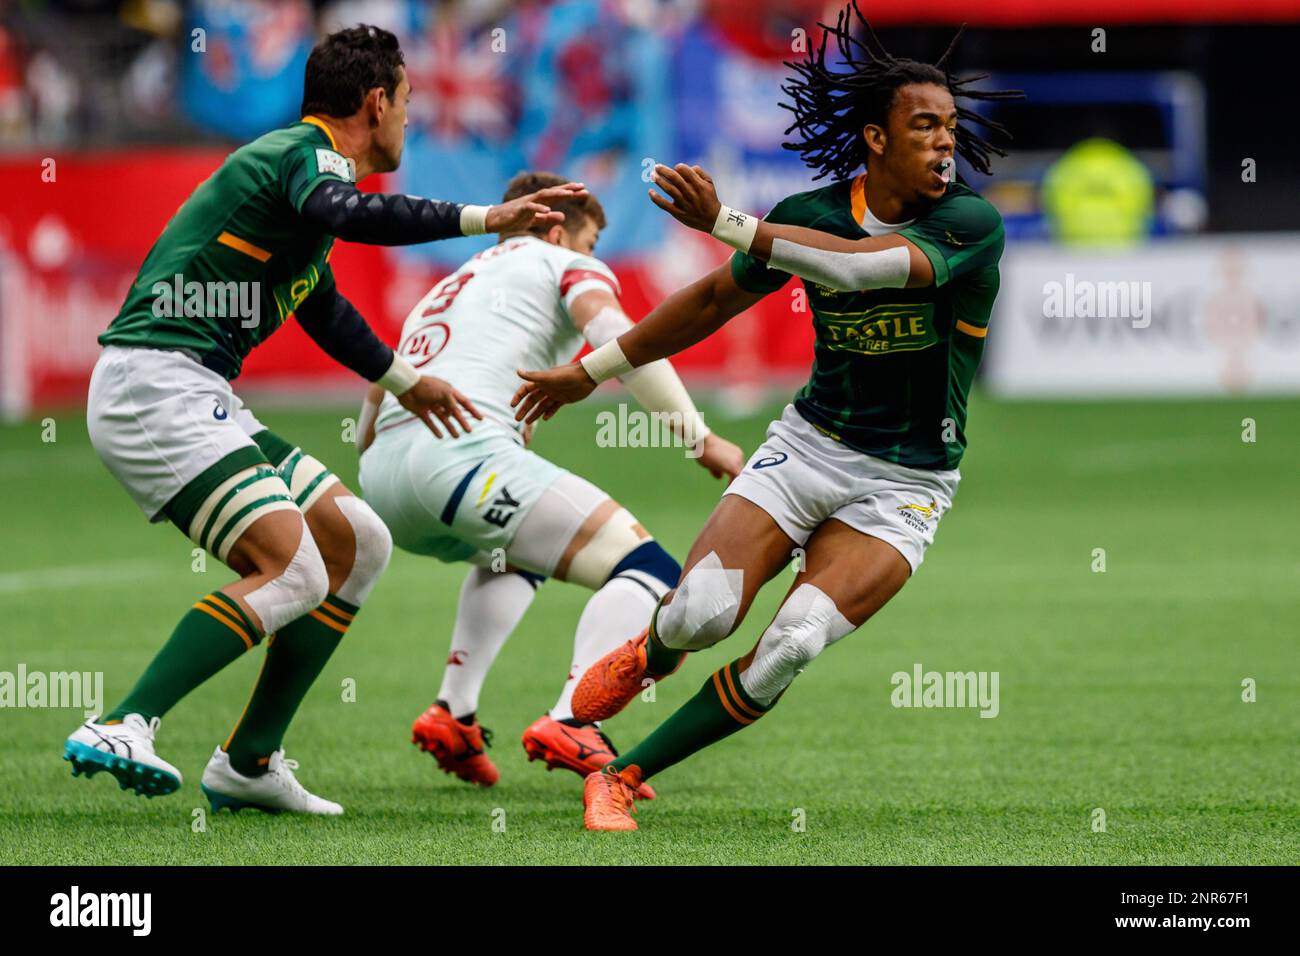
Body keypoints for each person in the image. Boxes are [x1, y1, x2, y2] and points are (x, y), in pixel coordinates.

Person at [510, 3, 1020, 830]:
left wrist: (728, 223)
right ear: (875, 138)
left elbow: (865, 272)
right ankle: (655, 650)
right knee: (701, 614)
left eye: (951, 126)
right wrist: (588, 373)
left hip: (906, 483)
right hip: (809, 447)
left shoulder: (969, 223)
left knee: (791, 646)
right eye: (923, 125)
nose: (945, 142)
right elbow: (713, 298)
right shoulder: (813, 214)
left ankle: (620, 773)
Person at [65, 24, 584, 816]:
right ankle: (125, 722)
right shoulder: (305, 159)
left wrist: (407, 382)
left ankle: (248, 761)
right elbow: (347, 214)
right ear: (375, 103)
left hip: (191, 386)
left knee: (357, 542)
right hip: (155, 384)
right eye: (406, 102)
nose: (408, 118)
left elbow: (323, 307)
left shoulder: (300, 185)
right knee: (297, 569)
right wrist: (488, 218)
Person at [357, 171, 745, 795]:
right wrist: (700, 437)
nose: (594, 258)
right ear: (558, 225)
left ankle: (454, 709)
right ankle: (572, 716)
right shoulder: (558, 261)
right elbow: (620, 339)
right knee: (650, 570)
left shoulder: (452, 282)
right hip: (462, 461)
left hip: (384, 482)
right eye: (591, 242)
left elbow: (376, 397)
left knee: (515, 552)